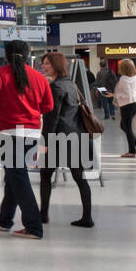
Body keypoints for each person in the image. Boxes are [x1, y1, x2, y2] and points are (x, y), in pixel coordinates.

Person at [0, 39, 53, 240]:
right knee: (13, 175)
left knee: (18, 176)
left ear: (6, 55)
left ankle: (34, 226)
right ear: (26, 55)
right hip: (32, 133)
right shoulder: (38, 77)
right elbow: (48, 105)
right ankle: (4, 219)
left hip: (9, 133)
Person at [37, 52, 93, 228]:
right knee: (79, 177)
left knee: (45, 175)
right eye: (43, 63)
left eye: (47, 64)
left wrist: (45, 142)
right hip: (76, 135)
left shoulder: (55, 88)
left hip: (59, 138)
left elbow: (51, 118)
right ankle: (87, 217)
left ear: (56, 66)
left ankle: (43, 214)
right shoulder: (71, 84)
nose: (43, 66)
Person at [113, 59, 136, 157]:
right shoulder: (135, 77)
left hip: (127, 105)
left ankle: (132, 151)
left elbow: (125, 94)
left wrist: (113, 95)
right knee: (124, 126)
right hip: (135, 103)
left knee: (127, 127)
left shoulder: (123, 79)